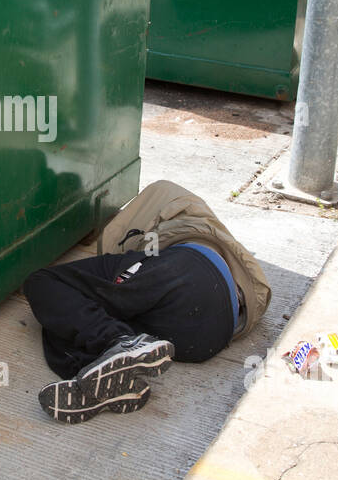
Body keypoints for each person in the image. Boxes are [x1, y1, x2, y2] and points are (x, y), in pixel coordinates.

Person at [23, 181, 271, 424]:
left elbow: (115, 240)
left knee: (45, 284)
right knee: (75, 315)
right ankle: (105, 376)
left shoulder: (162, 205)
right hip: (209, 337)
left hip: (186, 274)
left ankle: (117, 344)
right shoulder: (210, 229)